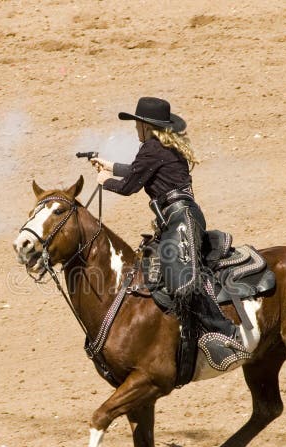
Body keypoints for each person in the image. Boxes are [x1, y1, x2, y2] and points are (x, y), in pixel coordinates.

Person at [90, 96, 244, 359]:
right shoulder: (160, 148)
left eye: (137, 123)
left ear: (145, 126)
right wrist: (110, 166)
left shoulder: (152, 148)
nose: (135, 128)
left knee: (181, 280)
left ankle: (227, 334)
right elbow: (138, 171)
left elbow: (129, 186)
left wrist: (106, 181)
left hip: (180, 218)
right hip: (179, 217)